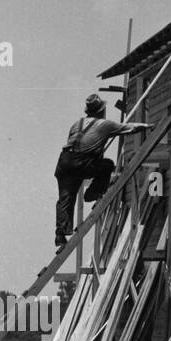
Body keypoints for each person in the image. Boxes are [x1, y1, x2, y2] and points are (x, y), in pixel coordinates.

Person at [54, 94, 151, 248]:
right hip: (82, 162)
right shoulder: (104, 124)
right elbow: (130, 128)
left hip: (64, 162)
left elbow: (76, 144)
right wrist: (146, 126)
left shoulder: (76, 124)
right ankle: (92, 193)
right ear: (101, 111)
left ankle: (60, 234)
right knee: (107, 165)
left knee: (66, 198)